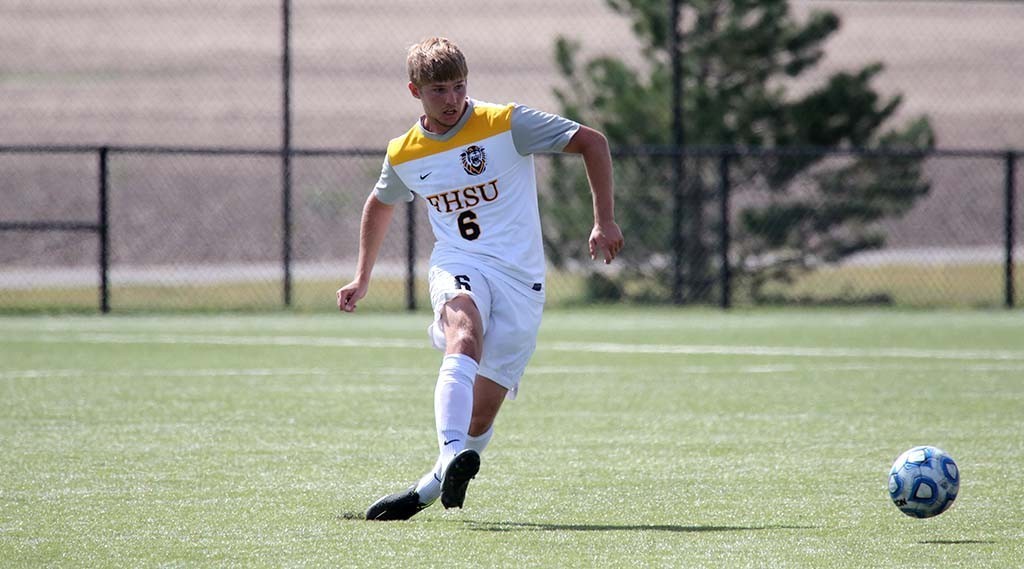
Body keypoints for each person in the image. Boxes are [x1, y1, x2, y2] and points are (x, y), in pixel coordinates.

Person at [337, 37, 624, 521]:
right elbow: (381, 202)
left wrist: (604, 220)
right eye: (438, 90)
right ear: (415, 91)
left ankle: (428, 487)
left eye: (458, 86)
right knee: (463, 335)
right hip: (459, 262)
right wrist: (363, 276)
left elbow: (592, 142)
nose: (451, 99)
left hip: (521, 281)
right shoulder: (405, 153)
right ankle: (450, 456)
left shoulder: (505, 123)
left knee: (480, 416)